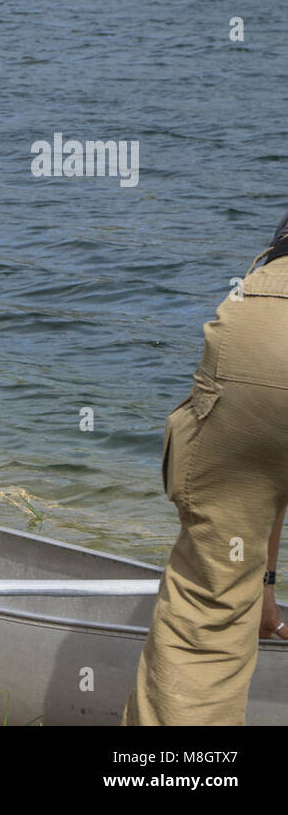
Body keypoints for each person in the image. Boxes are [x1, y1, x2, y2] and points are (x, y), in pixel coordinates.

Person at [126, 216, 288, 725]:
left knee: (208, 609)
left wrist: (247, 585)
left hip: (268, 317)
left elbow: (264, 473)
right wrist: (265, 584)